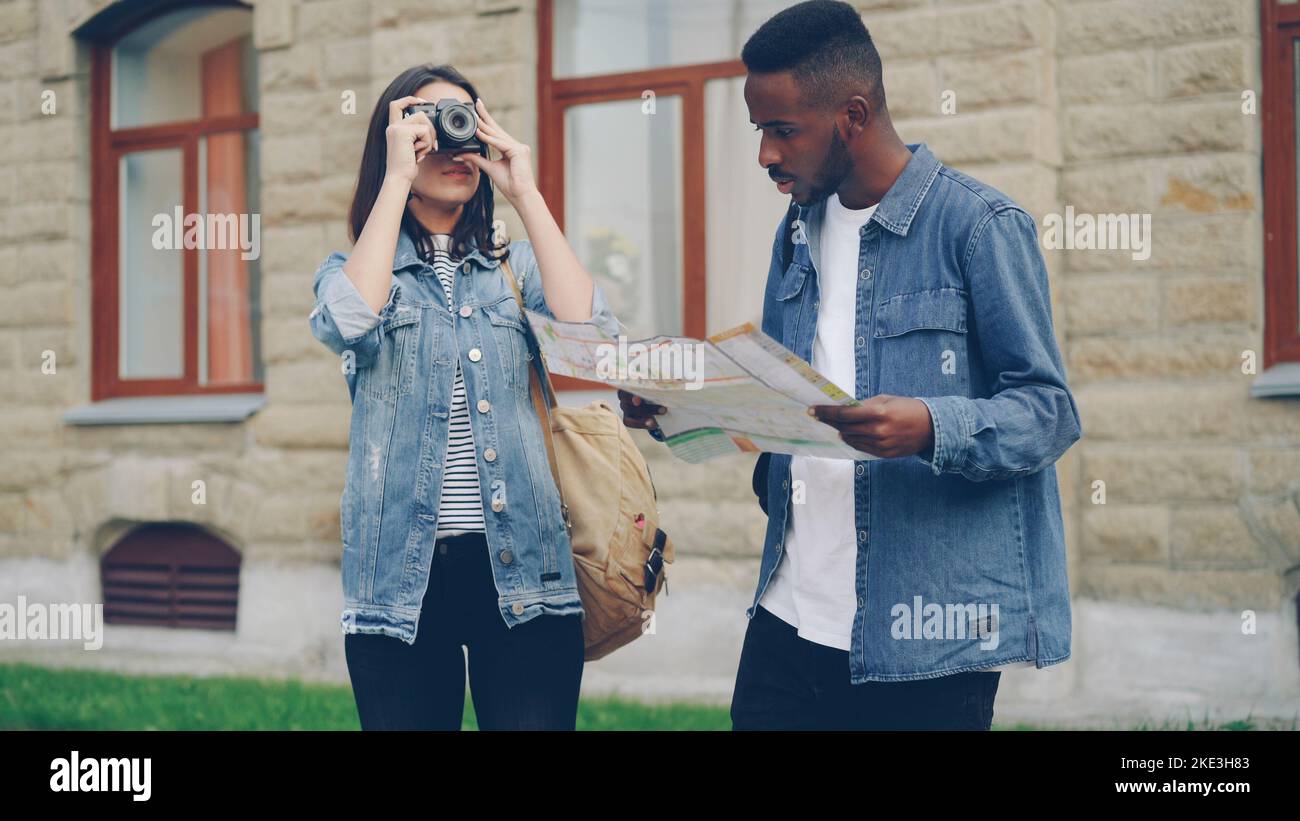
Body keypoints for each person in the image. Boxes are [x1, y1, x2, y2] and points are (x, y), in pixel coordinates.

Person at [620, 0, 1081, 730]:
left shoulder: (980, 227)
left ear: (854, 115)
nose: (766, 153)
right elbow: (783, 398)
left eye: (783, 130)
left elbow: (1049, 411)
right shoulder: (796, 234)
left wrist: (930, 426)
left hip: (921, 637)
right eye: (759, 130)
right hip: (787, 617)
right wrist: (682, 412)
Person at [309, 64, 620, 730]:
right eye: (431, 121)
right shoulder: (354, 270)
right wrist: (395, 178)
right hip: (399, 583)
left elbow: (592, 341)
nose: (454, 144)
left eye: (467, 121)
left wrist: (526, 193)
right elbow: (350, 321)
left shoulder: (517, 268)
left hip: (523, 573)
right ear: (395, 137)